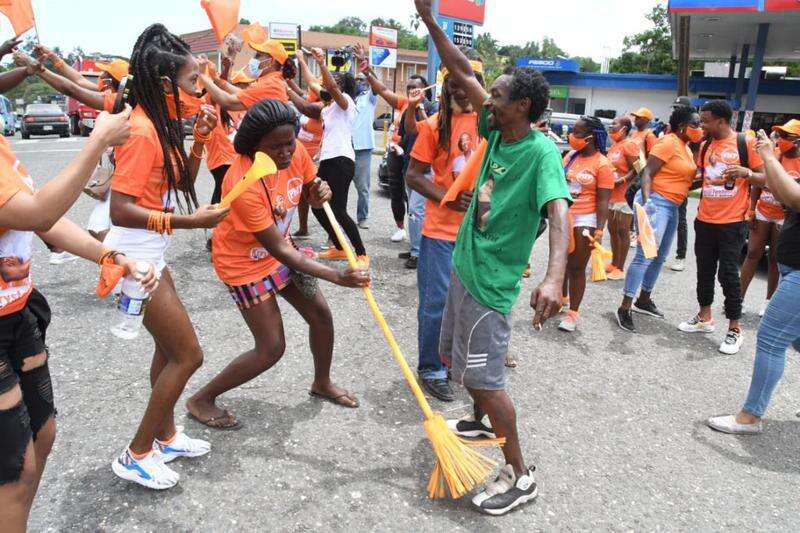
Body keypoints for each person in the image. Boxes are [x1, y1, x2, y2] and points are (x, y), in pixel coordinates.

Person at [416, 0, 571, 515]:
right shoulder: (496, 129)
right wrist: (431, 20)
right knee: (460, 366)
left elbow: (558, 213)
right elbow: (460, 70)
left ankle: (520, 475)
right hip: (464, 267)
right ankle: (482, 420)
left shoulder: (541, 154)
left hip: (490, 285)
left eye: (498, 95)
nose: (486, 100)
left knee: (484, 379)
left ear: (523, 106)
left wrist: (553, 279)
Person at [0, 70, 157, 529]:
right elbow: (37, 210)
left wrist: (113, 255)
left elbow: (37, 220)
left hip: (17, 311)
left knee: (42, 434)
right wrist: (96, 141)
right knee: (15, 468)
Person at [186, 100, 369, 428]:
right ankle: (201, 398)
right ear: (255, 146)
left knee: (321, 316)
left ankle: (322, 383)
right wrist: (337, 276)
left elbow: (310, 188)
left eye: (290, 142)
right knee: (271, 348)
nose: (287, 152)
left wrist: (318, 191)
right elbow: (282, 252)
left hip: (279, 250)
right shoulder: (241, 180)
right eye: (276, 147)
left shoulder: (294, 150)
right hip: (243, 262)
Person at [105, 24, 230, 490]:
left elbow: (177, 184)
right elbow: (121, 208)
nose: (199, 91)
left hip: (153, 252)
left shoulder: (158, 125)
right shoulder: (140, 130)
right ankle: (136, 453)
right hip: (137, 259)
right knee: (189, 355)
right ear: (163, 85)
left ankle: (166, 435)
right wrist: (188, 224)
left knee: (168, 349)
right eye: (192, 82)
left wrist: (198, 141)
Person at [706, 130, 800, 434]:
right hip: (792, 268)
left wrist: (769, 156)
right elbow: (781, 185)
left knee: (771, 339)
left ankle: (751, 416)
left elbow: (794, 197)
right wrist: (755, 169)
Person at [405, 70, 481, 402]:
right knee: (436, 303)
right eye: (454, 88)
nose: (461, 93)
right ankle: (431, 368)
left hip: (477, 233)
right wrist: (447, 196)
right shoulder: (434, 126)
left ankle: (452, 362)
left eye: (467, 87)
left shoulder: (490, 124)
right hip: (439, 232)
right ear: (445, 91)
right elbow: (413, 176)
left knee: (467, 304)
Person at [677, 101, 765, 355]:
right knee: (704, 272)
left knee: (728, 275)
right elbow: (702, 178)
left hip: (731, 223)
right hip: (704, 219)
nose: (701, 125)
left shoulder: (744, 143)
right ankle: (705, 318)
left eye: (705, 121)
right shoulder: (705, 145)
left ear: (722, 121)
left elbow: (766, 177)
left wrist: (746, 172)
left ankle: (735, 328)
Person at [616, 106, 702, 333]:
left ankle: (644, 299)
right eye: (696, 124)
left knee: (660, 256)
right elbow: (647, 173)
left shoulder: (686, 148)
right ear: (683, 126)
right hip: (656, 202)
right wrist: (648, 203)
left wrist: (710, 180)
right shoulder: (668, 143)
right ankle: (625, 307)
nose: (700, 128)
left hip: (673, 205)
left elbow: (684, 180)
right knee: (645, 255)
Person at [356, 43, 437, 266]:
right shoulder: (404, 104)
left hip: (426, 169)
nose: (411, 90)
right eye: (409, 87)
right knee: (414, 210)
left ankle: (419, 254)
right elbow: (382, 90)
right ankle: (415, 248)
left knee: (418, 211)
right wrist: (367, 70)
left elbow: (426, 130)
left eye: (416, 87)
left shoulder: (432, 109)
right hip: (409, 166)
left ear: (425, 90)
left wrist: (417, 107)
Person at [298, 48, 367, 263]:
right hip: (328, 160)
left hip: (342, 160)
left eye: (336, 80)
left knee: (337, 209)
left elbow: (331, 87)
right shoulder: (327, 109)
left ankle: (362, 253)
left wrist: (321, 62)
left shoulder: (346, 102)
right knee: (316, 204)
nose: (329, 82)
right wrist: (301, 61)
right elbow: (313, 84)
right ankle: (339, 246)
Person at [559, 117, 614, 332]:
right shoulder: (570, 156)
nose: (571, 135)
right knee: (560, 262)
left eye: (577, 132)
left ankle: (573, 313)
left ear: (589, 138)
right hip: (565, 216)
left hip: (586, 219)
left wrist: (599, 229)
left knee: (576, 266)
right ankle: (560, 299)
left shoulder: (603, 164)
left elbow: (603, 201)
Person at [740, 119, 800, 316]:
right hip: (763, 210)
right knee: (752, 253)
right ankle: (737, 299)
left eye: (787, 137)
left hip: (784, 217)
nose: (782, 140)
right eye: (780, 136)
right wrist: (751, 209)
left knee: (775, 259)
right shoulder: (771, 155)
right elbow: (758, 183)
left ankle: (768, 301)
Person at [199, 38, 294, 112]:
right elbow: (242, 93)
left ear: (271, 61)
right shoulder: (273, 81)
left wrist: (203, 75)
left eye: (258, 55)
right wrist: (216, 78)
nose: (253, 59)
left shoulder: (269, 84)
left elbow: (228, 102)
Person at [606, 116, 639, 279]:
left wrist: (623, 180)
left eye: (615, 125)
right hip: (611, 195)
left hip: (625, 195)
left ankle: (620, 267)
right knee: (612, 230)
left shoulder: (630, 145)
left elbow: (639, 168)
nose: (611, 127)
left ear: (624, 129)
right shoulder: (614, 146)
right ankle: (613, 262)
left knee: (622, 230)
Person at [670, 97, 695, 272]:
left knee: (680, 221)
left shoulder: (694, 132)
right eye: (675, 107)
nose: (674, 110)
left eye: (678, 107)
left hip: (683, 183)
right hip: (666, 183)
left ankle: (680, 255)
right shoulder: (669, 129)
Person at [352, 72, 378, 229]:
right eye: (356, 79)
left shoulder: (370, 97)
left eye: (362, 79)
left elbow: (376, 84)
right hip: (346, 146)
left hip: (363, 148)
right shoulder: (349, 97)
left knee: (362, 187)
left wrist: (366, 67)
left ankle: (362, 217)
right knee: (339, 186)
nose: (359, 82)